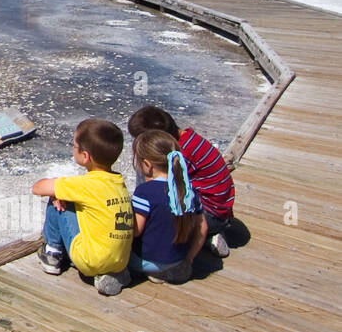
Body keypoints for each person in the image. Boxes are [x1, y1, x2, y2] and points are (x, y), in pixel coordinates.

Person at [31, 118, 134, 296]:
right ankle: (111, 273)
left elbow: (38, 188)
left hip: (90, 260)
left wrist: (56, 194)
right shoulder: (118, 182)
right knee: (72, 198)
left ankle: (52, 254)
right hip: (120, 261)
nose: (72, 147)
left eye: (74, 145)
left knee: (56, 195)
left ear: (85, 156)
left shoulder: (86, 185)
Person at [128, 105, 236, 257]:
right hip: (219, 212)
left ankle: (142, 212)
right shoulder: (188, 138)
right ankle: (211, 235)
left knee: (146, 163)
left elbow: (160, 192)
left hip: (209, 216)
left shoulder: (179, 155)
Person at [128, 130, 207, 283]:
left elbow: (136, 231)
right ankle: (172, 270)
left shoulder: (145, 192)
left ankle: (149, 272)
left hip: (146, 261)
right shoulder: (188, 190)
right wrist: (189, 259)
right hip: (178, 259)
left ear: (147, 165)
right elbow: (202, 228)